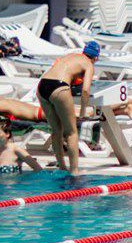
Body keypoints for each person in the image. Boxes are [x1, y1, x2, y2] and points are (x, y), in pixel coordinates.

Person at [36, 41, 98, 171]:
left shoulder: (70, 56)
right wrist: (82, 111)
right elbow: (86, 90)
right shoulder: (89, 64)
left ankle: (62, 167)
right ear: (96, 58)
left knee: (56, 130)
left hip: (42, 85)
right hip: (59, 87)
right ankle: (74, 171)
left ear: (83, 52)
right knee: (71, 132)